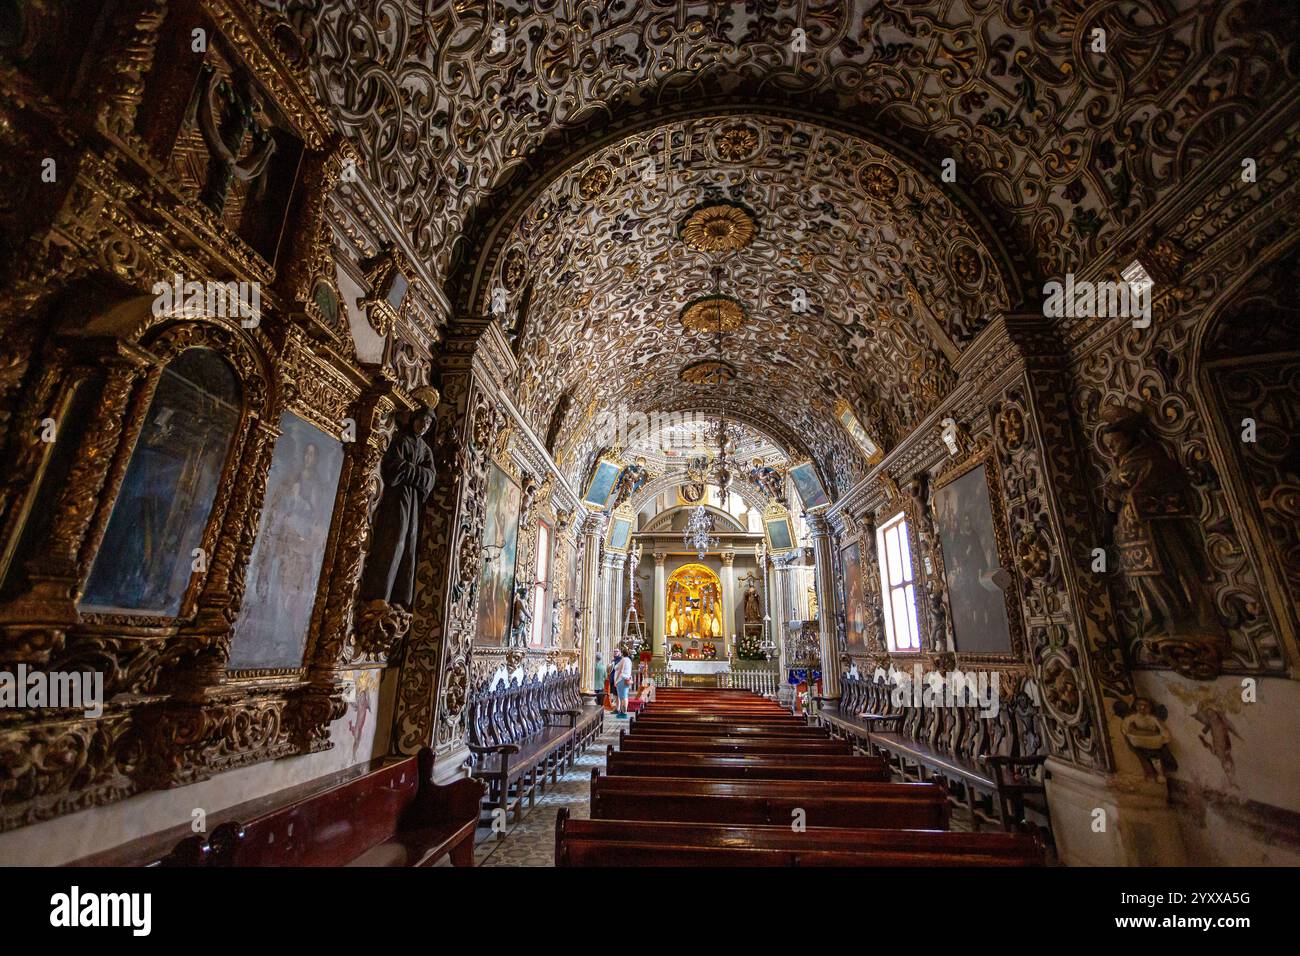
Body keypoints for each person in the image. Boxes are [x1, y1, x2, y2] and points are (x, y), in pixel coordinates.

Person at [613, 647, 634, 718]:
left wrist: (616, 680)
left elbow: (620, 671)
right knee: (625, 697)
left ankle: (623, 713)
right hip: (627, 679)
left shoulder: (623, 660)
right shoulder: (629, 660)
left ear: (622, 653)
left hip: (622, 680)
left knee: (622, 697)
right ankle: (623, 712)